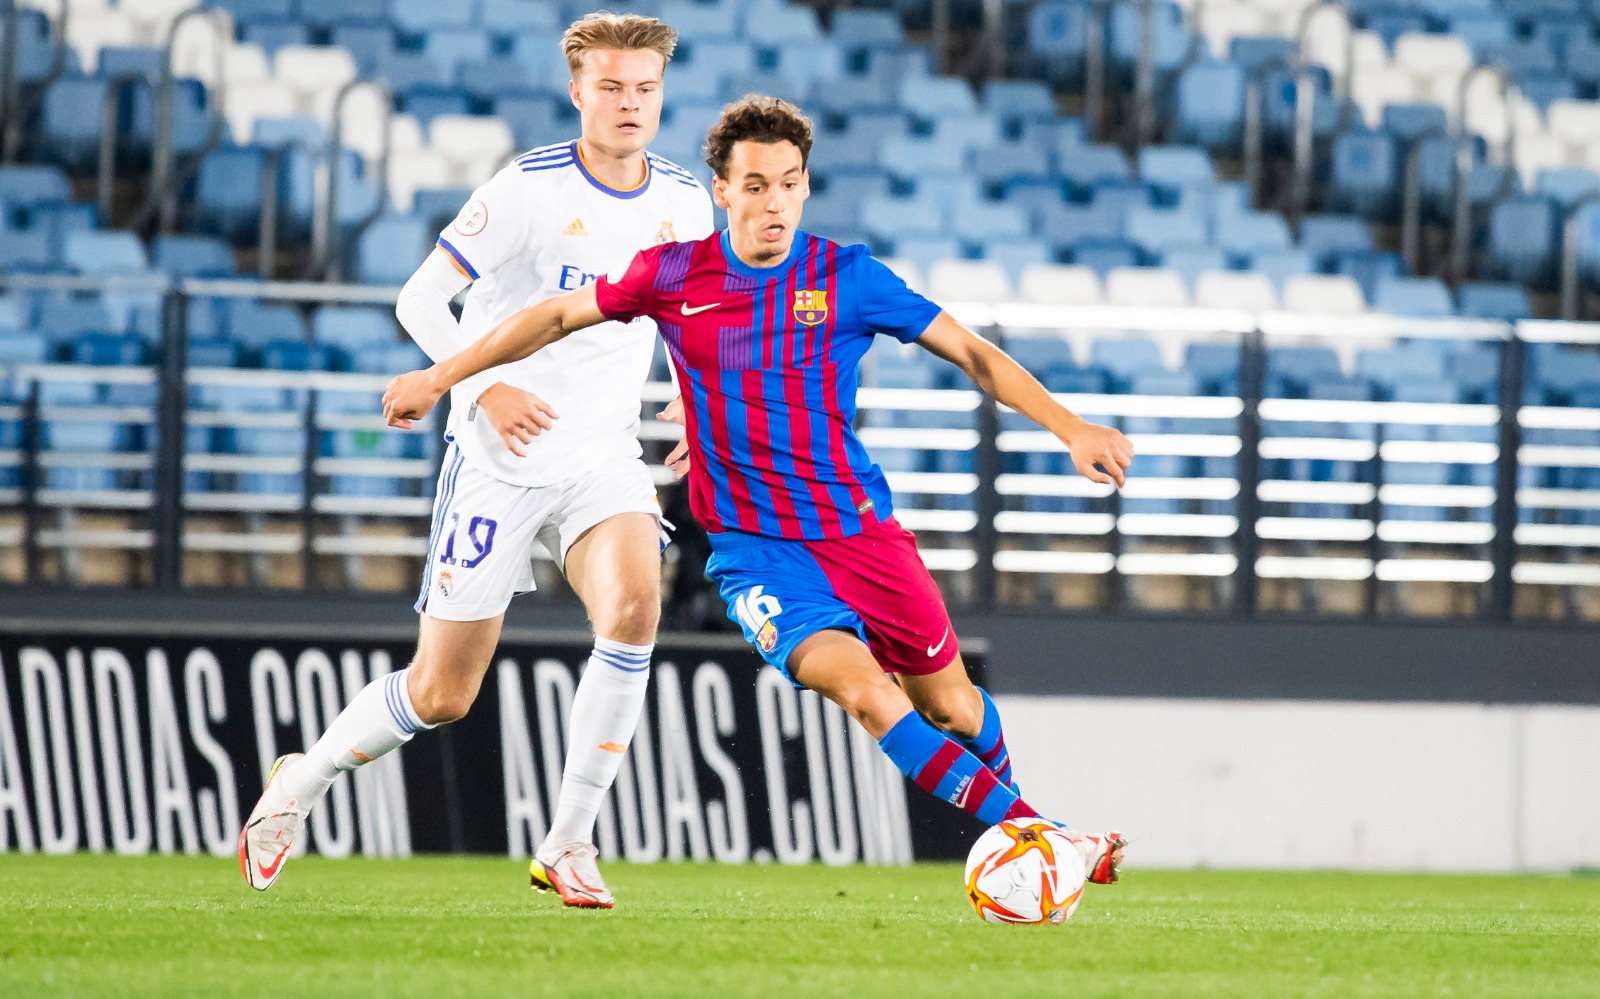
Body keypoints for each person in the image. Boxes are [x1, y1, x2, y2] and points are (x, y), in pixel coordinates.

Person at [382, 95, 1133, 883]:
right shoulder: (673, 275)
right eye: (755, 184)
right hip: (758, 557)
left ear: (806, 187)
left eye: (789, 183)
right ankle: (1051, 838)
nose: (774, 201)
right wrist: (444, 375)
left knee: (952, 705)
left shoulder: (847, 277)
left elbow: (973, 354)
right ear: (721, 189)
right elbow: (556, 314)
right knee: (872, 694)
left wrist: (1069, 426)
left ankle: (1038, 845)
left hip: (862, 536)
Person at [239, 12, 713, 909]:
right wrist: (482, 388)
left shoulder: (685, 200)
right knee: (442, 692)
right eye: (610, 87)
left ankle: (570, 842)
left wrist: (691, 391)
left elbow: (688, 315)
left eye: (644, 89)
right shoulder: (528, 190)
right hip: (498, 457)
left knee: (636, 602)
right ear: (577, 90)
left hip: (603, 455)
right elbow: (423, 299)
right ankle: (301, 780)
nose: (629, 103)